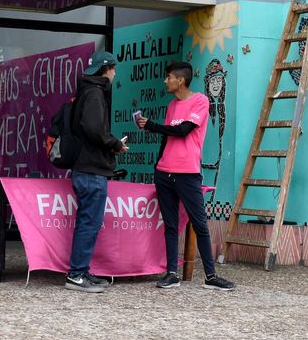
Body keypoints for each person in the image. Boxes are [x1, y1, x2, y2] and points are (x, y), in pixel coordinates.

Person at [136, 61, 236, 291]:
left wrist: (151, 126)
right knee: (170, 225)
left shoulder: (201, 101)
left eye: (168, 77)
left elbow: (182, 131)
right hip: (164, 173)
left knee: (199, 223)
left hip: (187, 174)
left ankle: (211, 276)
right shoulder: (172, 106)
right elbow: (167, 137)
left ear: (180, 80)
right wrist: (158, 164)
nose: (165, 81)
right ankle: (171, 273)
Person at [64, 51, 128, 294]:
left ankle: (81, 271)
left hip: (86, 168)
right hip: (91, 170)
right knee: (89, 223)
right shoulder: (94, 93)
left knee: (87, 222)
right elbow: (92, 128)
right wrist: (114, 144)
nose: (115, 73)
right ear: (107, 69)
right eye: (114, 69)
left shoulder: (87, 91)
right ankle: (77, 274)